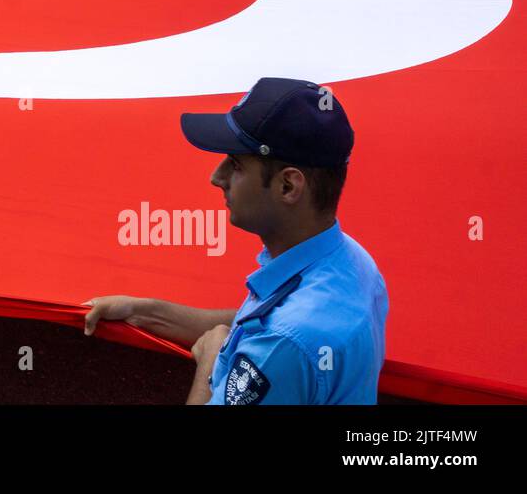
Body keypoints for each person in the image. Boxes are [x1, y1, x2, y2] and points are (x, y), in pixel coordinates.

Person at [83, 77, 387, 405]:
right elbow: (254, 324)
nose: (217, 177)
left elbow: (276, 336)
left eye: (237, 164)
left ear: (288, 187)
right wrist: (146, 311)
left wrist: (210, 366)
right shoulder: (350, 262)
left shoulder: (283, 346)